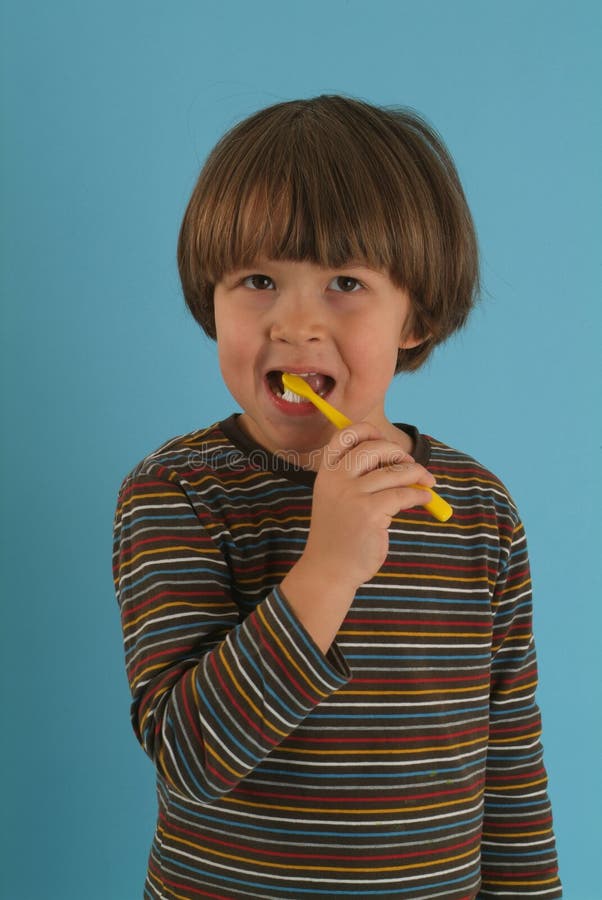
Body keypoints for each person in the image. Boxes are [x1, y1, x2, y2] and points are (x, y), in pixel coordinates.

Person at [113, 95, 562, 899]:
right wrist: (328, 567)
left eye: (345, 282)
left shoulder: (479, 511)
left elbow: (513, 767)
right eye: (257, 280)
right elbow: (190, 757)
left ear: (416, 316)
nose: (293, 322)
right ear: (209, 303)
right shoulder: (178, 492)